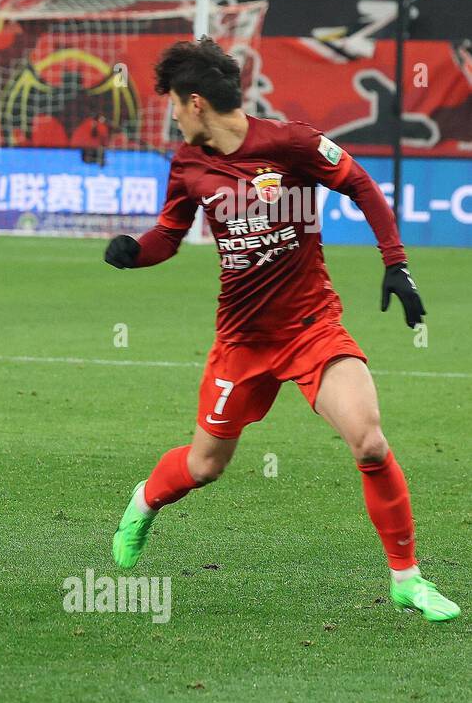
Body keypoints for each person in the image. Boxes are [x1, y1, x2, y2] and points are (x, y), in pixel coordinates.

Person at [103, 37, 458, 623]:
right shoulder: (188, 164)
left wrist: (396, 264)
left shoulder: (291, 143)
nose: (167, 112)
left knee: (369, 441)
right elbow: (169, 234)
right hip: (242, 341)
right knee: (204, 467)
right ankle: (143, 501)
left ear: (195, 103)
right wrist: (134, 251)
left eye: (169, 101)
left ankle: (407, 579)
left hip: (312, 326)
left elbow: (363, 186)